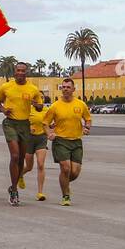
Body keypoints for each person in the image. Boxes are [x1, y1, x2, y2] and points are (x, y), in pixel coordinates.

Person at [0, 61, 44, 206]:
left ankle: (13, 185)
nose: (20, 73)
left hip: (25, 124)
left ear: (26, 72)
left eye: (23, 71)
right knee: (14, 155)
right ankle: (14, 190)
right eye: (18, 70)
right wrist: (3, 110)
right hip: (10, 123)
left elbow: (40, 106)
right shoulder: (6, 86)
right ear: (14, 72)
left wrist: (38, 105)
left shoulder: (33, 88)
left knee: (21, 158)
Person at [43, 77, 91, 206]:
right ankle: (65, 195)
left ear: (73, 89)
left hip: (76, 142)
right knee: (65, 168)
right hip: (60, 141)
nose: (65, 89)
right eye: (63, 87)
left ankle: (64, 183)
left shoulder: (81, 104)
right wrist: (49, 134)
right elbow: (45, 123)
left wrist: (87, 127)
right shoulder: (55, 106)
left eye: (68, 87)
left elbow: (87, 119)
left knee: (74, 172)